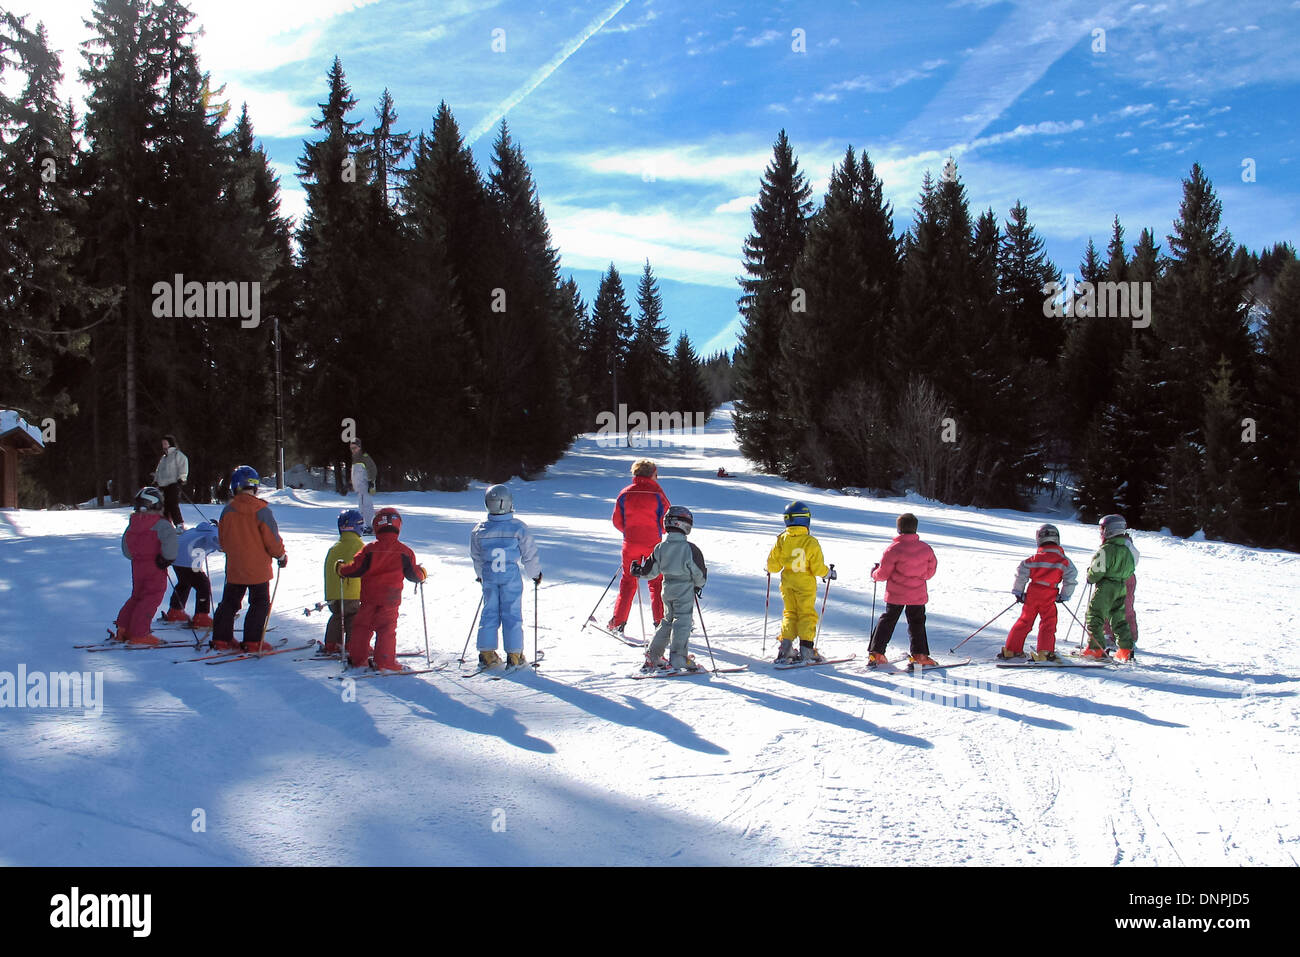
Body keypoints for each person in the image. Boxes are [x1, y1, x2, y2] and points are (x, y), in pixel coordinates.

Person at [337, 506, 427, 672]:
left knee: (362, 627)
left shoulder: (369, 549)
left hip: (369, 597)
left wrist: (342, 569)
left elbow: (356, 569)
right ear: (398, 526)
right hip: (390, 599)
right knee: (386, 629)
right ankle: (385, 661)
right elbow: (413, 574)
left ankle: (358, 659)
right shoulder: (405, 552)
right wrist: (422, 574)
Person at [211, 466, 287, 653]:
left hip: (235, 567)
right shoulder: (262, 510)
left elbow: (222, 540)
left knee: (229, 602)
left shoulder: (228, 511)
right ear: (255, 487)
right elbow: (272, 538)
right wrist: (281, 555)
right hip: (258, 569)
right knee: (259, 603)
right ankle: (252, 641)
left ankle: (221, 638)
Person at [470, 485, 542, 668]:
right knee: (512, 612)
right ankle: (515, 654)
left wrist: (480, 576)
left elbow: (476, 556)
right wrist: (535, 574)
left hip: (489, 576)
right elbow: (529, 554)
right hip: (510, 575)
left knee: (489, 612)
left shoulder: (480, 529)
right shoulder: (517, 527)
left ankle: (486, 652)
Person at [632, 505, 706, 672]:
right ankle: (679, 657)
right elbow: (699, 573)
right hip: (684, 588)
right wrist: (697, 585)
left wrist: (638, 571)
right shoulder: (690, 549)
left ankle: (653, 655)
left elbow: (650, 571)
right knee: (682, 620)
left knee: (667, 621)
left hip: (667, 588)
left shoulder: (660, 548)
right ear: (685, 525)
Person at [997, 523, 1078, 662]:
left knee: (1024, 621)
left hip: (1033, 593)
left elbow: (1021, 572)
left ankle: (1011, 650)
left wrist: (1019, 591)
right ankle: (1044, 653)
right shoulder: (1063, 561)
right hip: (1049, 594)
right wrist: (1064, 595)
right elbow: (1071, 578)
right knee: (1048, 622)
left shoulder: (1034, 559)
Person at [765, 501, 834, 663]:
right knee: (806, 614)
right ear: (805, 520)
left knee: (790, 613)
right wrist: (828, 573)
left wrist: (768, 567)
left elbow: (773, 566)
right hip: (805, 585)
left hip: (787, 583)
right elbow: (817, 568)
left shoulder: (782, 539)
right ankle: (807, 649)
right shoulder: (810, 542)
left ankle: (786, 648)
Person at [867, 513, 938, 667]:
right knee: (917, 623)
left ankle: (876, 653)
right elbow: (930, 570)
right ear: (915, 528)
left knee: (888, 620)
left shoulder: (893, 549)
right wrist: (920, 576)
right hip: (917, 594)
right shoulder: (926, 549)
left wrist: (875, 574)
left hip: (896, 594)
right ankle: (920, 655)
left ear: (899, 529)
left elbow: (884, 573)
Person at [608, 459, 669, 635]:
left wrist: (630, 532)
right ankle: (660, 622)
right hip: (653, 544)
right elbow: (666, 519)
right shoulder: (657, 493)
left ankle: (618, 622)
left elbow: (617, 521)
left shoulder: (625, 493)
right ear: (652, 474)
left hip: (631, 543)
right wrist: (659, 531)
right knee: (656, 582)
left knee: (628, 581)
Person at [115, 486, 178, 646]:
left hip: (137, 566)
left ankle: (123, 627)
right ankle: (140, 633)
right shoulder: (161, 524)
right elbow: (170, 541)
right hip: (155, 566)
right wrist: (167, 558)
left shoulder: (133, 524)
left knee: (137, 596)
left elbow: (126, 549)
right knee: (152, 597)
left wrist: (137, 556)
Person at [1083, 513, 1139, 661]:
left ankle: (1096, 648)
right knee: (1119, 618)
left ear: (1110, 530)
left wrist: (1090, 576)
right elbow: (1131, 569)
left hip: (1106, 587)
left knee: (1095, 616)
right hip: (1121, 587)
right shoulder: (1127, 550)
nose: (1101, 532)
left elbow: (1097, 571)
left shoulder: (1106, 549)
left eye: (1102, 529)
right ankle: (1126, 648)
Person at [322, 509, 366, 656]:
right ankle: (352, 644)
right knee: (353, 617)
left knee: (337, 616)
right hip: (351, 592)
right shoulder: (360, 547)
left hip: (333, 594)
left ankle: (332, 643)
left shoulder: (334, 548)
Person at [163, 520, 220, 628]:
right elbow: (215, 540)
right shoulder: (214, 531)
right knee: (203, 585)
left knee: (184, 583)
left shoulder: (197, 529)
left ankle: (175, 611)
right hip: (188, 560)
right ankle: (201, 616)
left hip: (175, 558)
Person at [152, 434, 189, 528]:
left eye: (165, 443)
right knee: (165, 506)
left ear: (170, 444)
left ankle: (179, 524)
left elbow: (183, 466)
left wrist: (182, 478)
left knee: (173, 504)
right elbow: (159, 471)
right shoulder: (164, 458)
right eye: (162, 444)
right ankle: (166, 524)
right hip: (163, 485)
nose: (163, 445)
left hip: (173, 483)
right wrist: (156, 480)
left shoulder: (177, 454)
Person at [348, 440, 378, 534]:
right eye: (351, 448)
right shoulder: (355, 458)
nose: (353, 450)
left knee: (367, 507)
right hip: (360, 488)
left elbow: (372, 469)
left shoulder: (364, 457)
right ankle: (365, 525)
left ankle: (370, 526)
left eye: (355, 448)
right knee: (361, 507)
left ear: (359, 447)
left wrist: (371, 481)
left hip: (366, 486)